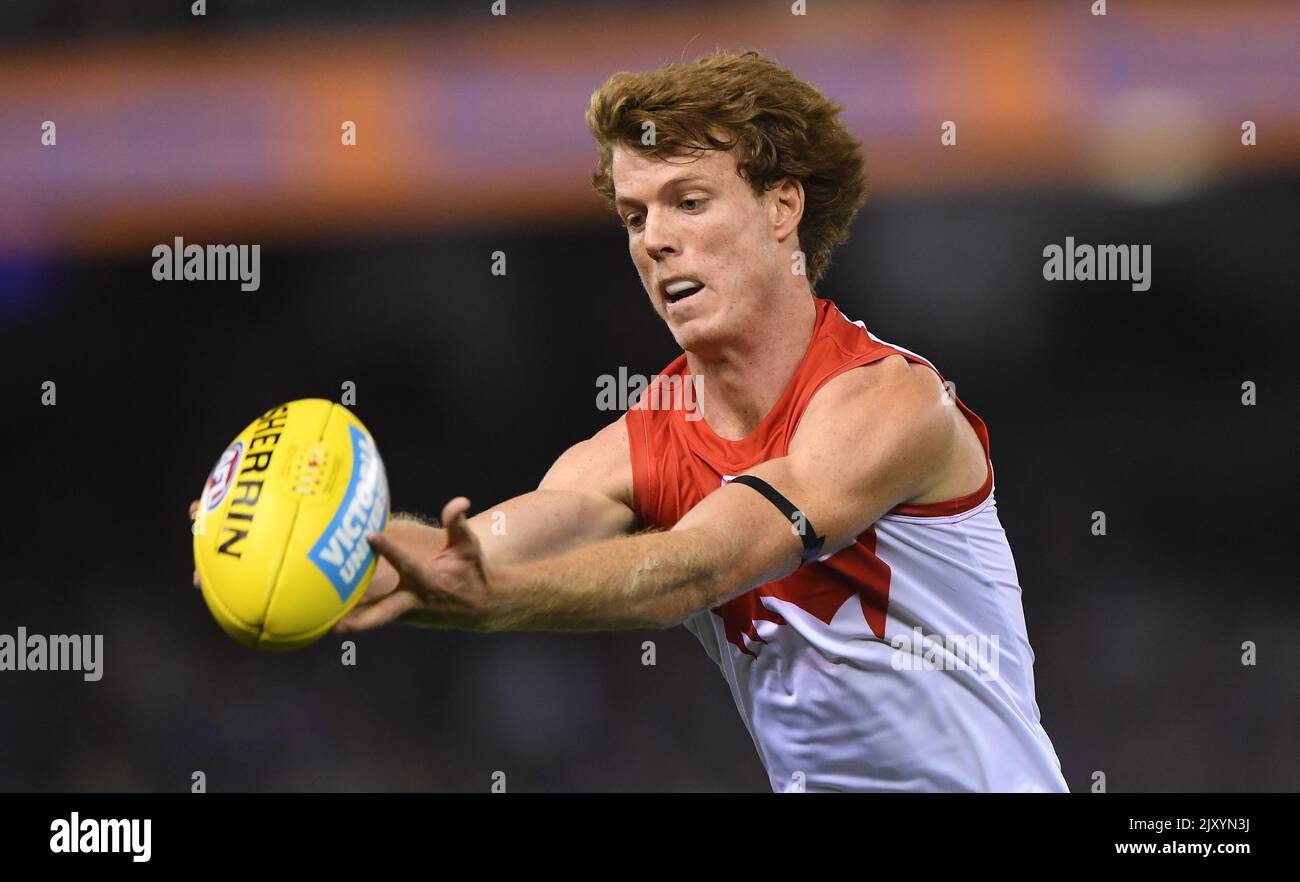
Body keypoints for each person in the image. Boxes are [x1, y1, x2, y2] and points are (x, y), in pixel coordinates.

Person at [195, 50, 1067, 792]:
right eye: (633, 214)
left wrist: (493, 601)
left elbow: (696, 568)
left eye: (689, 202)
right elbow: (473, 559)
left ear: (781, 210)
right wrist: (296, 549)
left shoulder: (891, 401)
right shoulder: (630, 452)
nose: (653, 240)